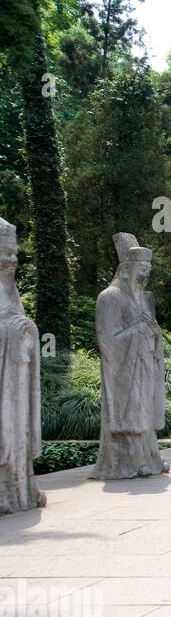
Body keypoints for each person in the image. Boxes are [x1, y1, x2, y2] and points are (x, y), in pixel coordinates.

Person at [92, 232, 169, 480]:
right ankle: (127, 460)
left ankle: (149, 457)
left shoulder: (142, 299)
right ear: (125, 269)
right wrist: (139, 330)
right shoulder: (109, 298)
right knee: (132, 412)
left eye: (148, 269)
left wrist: (154, 332)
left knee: (145, 414)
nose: (146, 275)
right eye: (141, 269)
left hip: (145, 365)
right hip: (125, 369)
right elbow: (107, 342)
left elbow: (150, 332)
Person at [0, 217, 44, 513]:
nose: (12, 260)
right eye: (6, 253)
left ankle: (17, 489)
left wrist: (24, 329)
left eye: (14, 253)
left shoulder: (9, 292)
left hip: (13, 382)